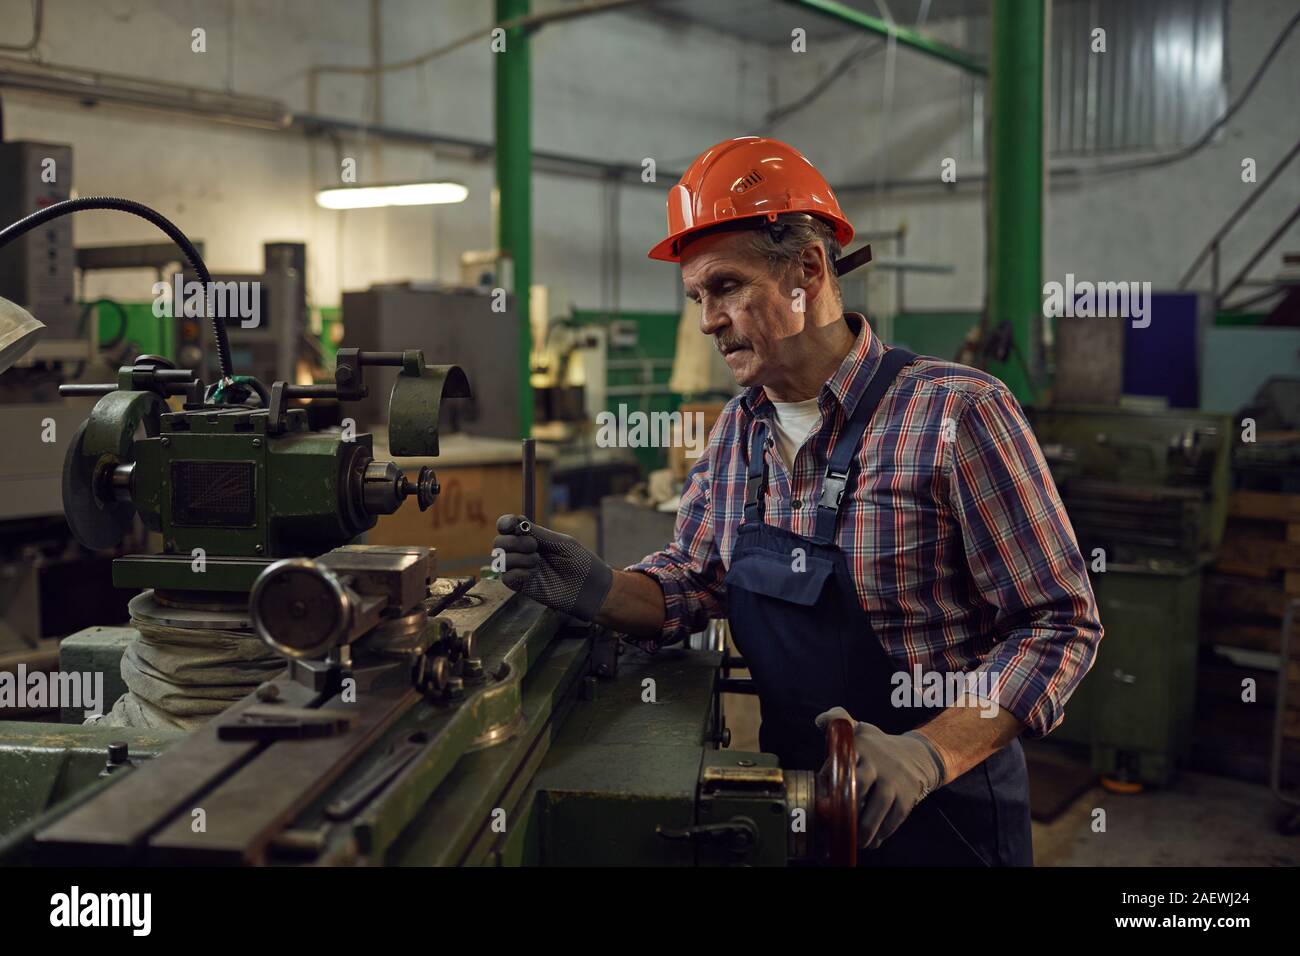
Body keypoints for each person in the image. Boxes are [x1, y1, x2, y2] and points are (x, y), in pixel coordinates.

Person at [494, 136, 1102, 865]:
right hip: (796, 811)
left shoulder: (956, 413)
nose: (706, 321)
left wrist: (926, 755)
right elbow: (694, 581)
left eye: (724, 287)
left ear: (807, 271)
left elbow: (1060, 623)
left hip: (945, 818)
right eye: (696, 297)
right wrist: (597, 588)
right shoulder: (732, 438)